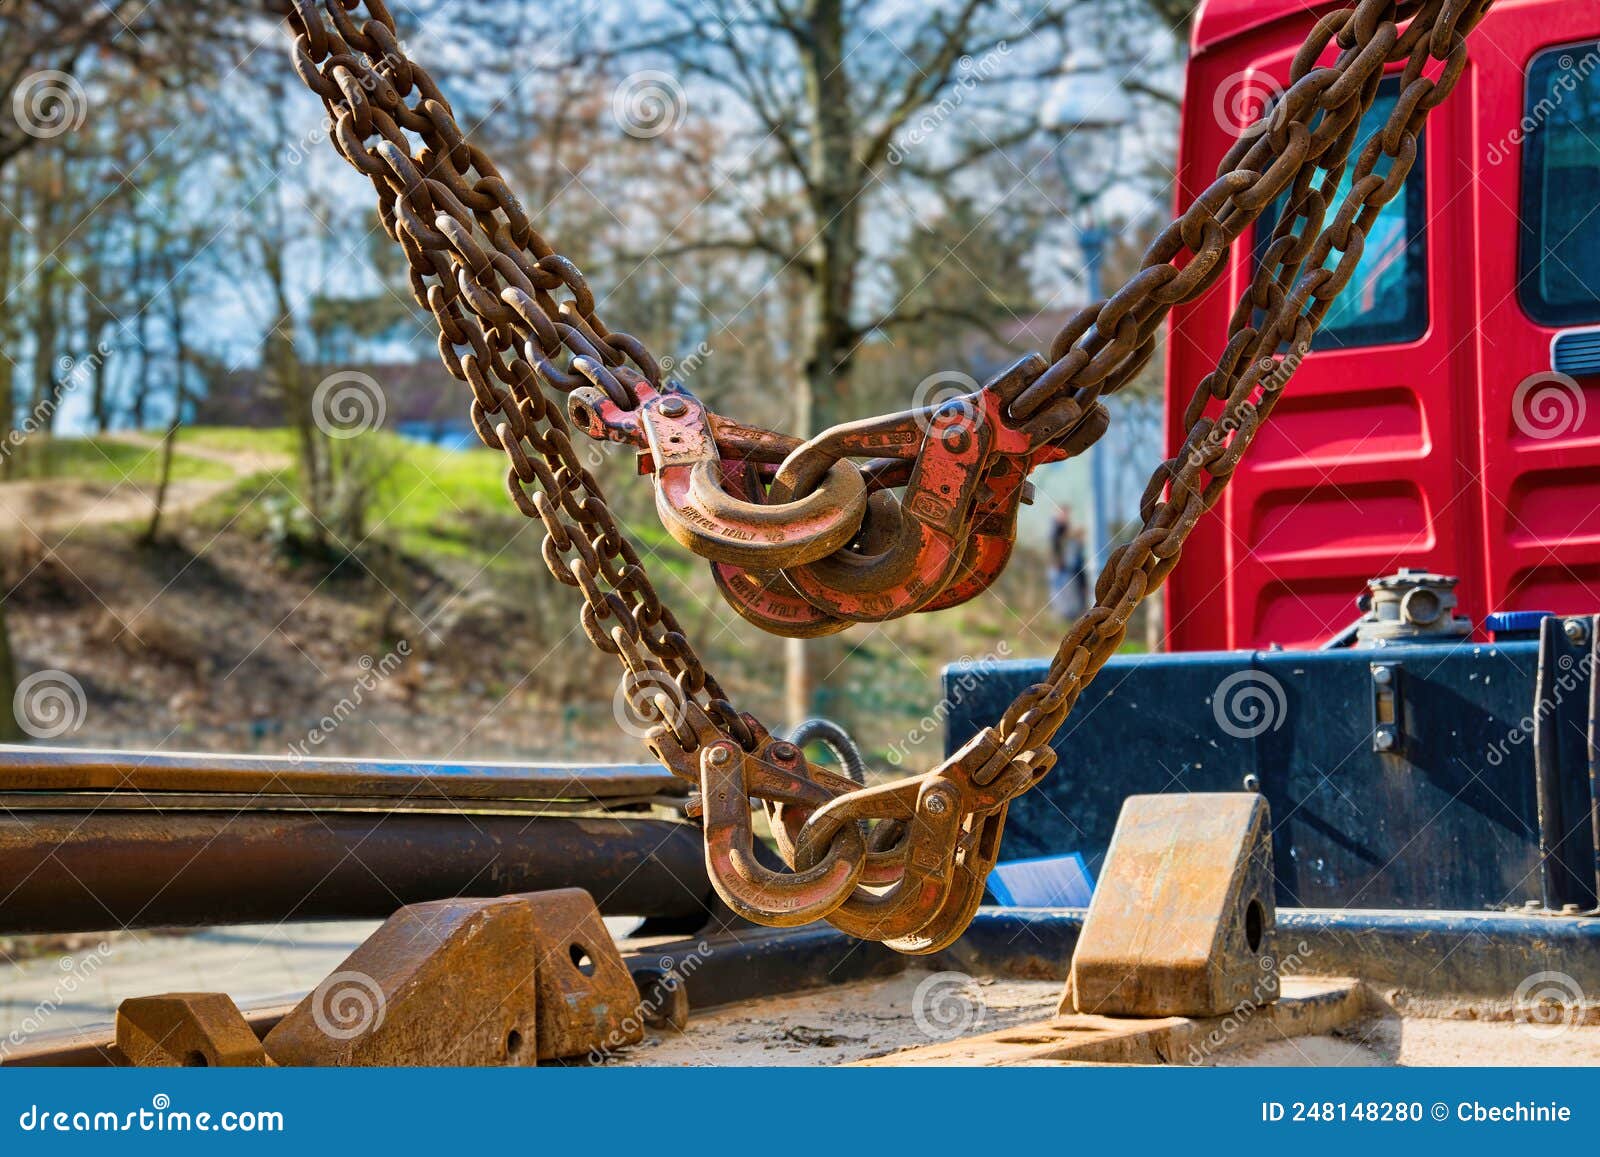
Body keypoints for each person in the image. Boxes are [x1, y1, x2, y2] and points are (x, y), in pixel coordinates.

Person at [1050, 510, 1090, 621]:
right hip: (1069, 576)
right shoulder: (1071, 545)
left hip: (1072, 576)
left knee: (1073, 601)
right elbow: (1076, 566)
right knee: (1069, 601)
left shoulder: (1075, 546)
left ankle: (1073, 616)